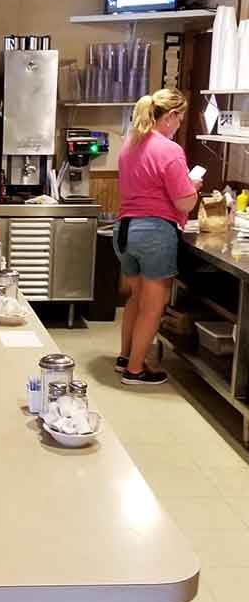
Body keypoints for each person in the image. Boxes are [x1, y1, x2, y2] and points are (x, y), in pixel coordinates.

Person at [113, 88, 200, 386]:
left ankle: (125, 356)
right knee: (153, 306)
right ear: (171, 116)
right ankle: (135, 370)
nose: (179, 126)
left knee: (136, 299)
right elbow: (185, 202)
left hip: (124, 230)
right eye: (180, 119)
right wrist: (193, 185)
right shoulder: (169, 149)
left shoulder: (131, 143)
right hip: (153, 233)